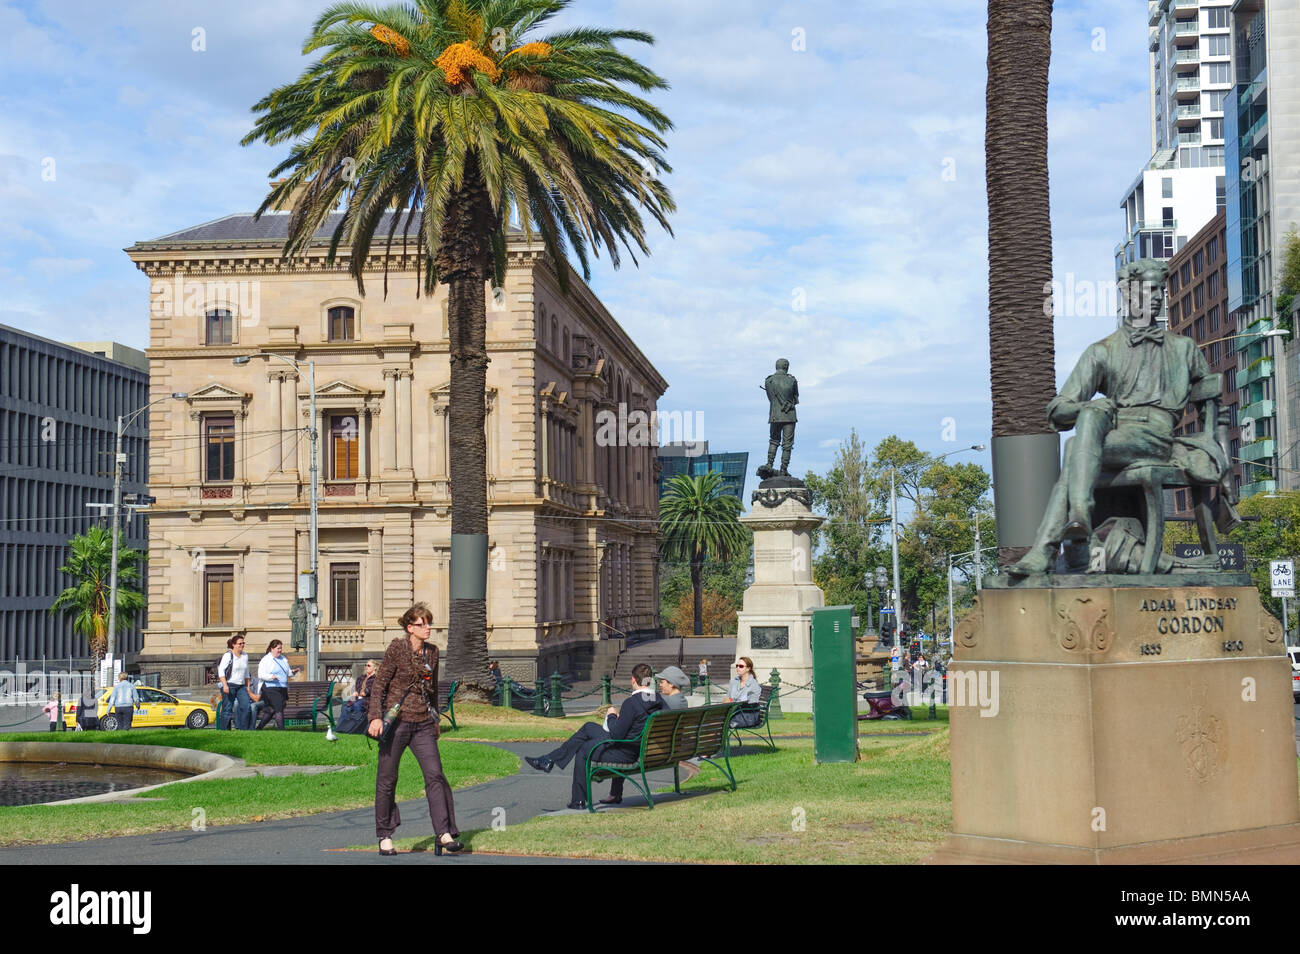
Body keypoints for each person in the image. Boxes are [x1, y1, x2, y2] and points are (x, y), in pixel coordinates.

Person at [1012, 258, 1227, 576]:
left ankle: (1057, 538)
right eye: (1149, 289)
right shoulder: (1102, 351)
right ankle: (1076, 519)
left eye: (1160, 290)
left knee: (1074, 451)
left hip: (1157, 437)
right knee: (1089, 420)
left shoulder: (1183, 348)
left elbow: (1213, 408)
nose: (1157, 296)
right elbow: (1058, 410)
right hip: (1112, 433)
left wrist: (1221, 453)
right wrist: (1087, 408)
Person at [368, 603, 461, 857]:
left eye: (429, 623)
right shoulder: (397, 648)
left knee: (436, 776)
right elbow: (379, 685)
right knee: (387, 779)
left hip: (422, 725)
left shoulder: (432, 652)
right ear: (410, 628)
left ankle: (444, 833)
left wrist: (435, 721)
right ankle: (384, 835)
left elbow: (432, 690)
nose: (428, 627)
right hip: (396, 724)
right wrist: (375, 717)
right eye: (423, 624)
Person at [524, 662, 663, 810]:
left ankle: (578, 800)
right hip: (643, 748)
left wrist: (611, 716)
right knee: (588, 727)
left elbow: (616, 733)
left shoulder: (632, 702)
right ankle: (550, 759)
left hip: (628, 752)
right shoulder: (659, 700)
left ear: (634, 680)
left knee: (584, 749)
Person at [599, 665, 694, 805]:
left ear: (672, 684)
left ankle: (615, 793)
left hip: (652, 750)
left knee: (625, 741)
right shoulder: (681, 701)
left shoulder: (664, 702)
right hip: (670, 748)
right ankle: (615, 793)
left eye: (662, 682)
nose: (659, 685)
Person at [254, 640, 296, 730]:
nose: (280, 650)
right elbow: (260, 674)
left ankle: (258, 728)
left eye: (281, 648)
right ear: (272, 649)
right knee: (279, 708)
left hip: (282, 688)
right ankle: (282, 730)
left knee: (271, 710)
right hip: (270, 688)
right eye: (278, 648)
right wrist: (271, 677)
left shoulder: (283, 659)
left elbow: (287, 672)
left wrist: (292, 672)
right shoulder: (266, 660)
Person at [217, 636, 252, 730]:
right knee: (227, 709)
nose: (242, 645)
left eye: (243, 643)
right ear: (233, 644)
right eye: (240, 643)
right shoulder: (228, 655)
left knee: (246, 707)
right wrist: (225, 685)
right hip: (229, 685)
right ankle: (224, 731)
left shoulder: (245, 655)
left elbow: (247, 673)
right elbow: (221, 671)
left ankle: (244, 729)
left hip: (241, 686)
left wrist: (248, 687)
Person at [727, 656, 762, 728]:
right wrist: (730, 701)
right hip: (733, 713)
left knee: (715, 723)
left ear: (748, 668)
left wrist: (732, 702)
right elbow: (727, 699)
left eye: (741, 666)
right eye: (737, 666)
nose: (737, 668)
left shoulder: (753, 685)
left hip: (746, 717)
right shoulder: (734, 681)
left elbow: (751, 705)